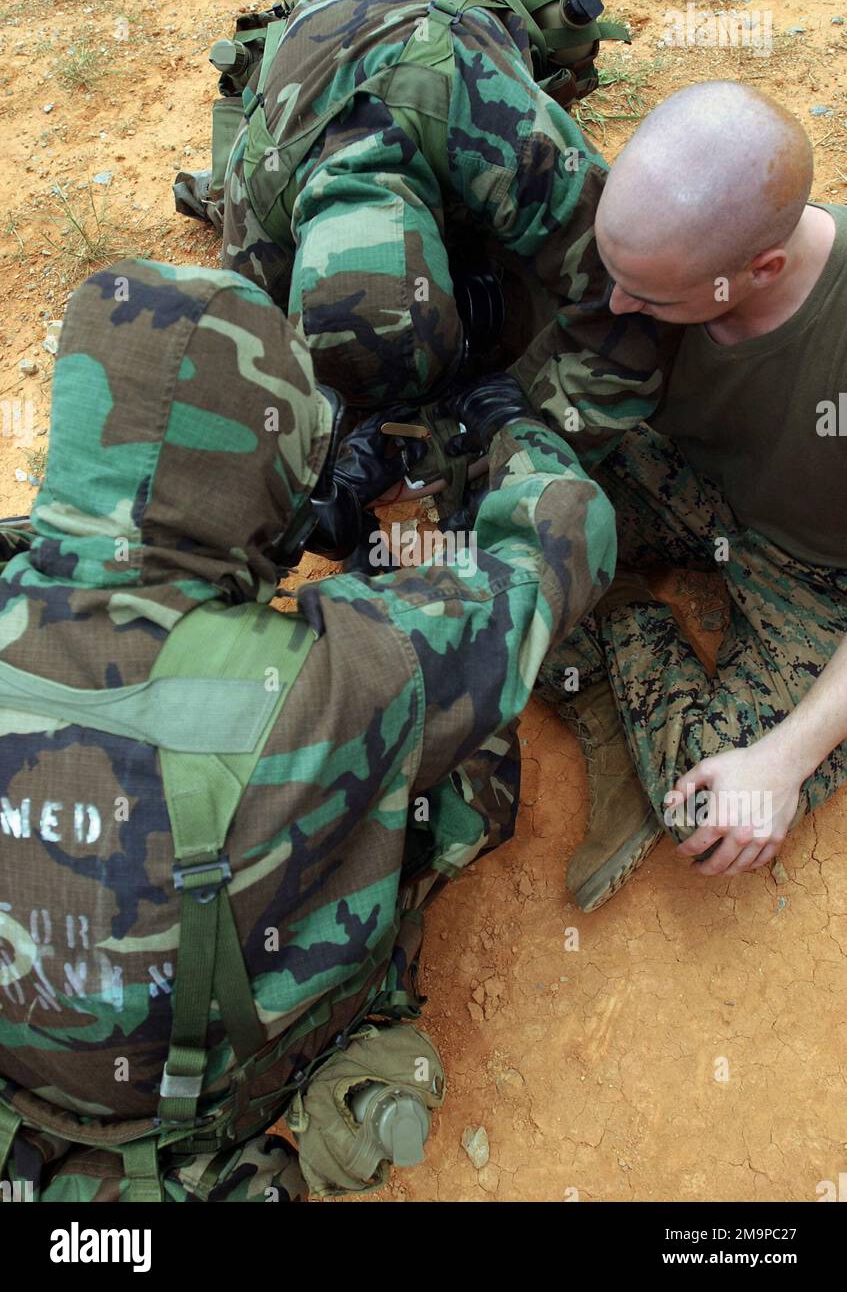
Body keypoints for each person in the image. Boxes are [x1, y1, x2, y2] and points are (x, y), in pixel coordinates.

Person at [0, 258, 615, 1200]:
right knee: (463, 741)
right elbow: (564, 540)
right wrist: (509, 425)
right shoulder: (343, 675)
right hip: (221, 1096)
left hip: (23, 1103)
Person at [523, 81, 847, 911]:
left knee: (712, 811)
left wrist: (783, 760)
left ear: (762, 267)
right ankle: (604, 653)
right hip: (682, 481)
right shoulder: (650, 251)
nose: (620, 305)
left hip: (817, 582)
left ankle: (607, 629)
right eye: (613, 275)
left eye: (653, 298)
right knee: (491, 522)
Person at [218, 0, 632, 409]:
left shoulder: (511, 142)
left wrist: (513, 429)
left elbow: (626, 301)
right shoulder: (254, 198)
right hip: (327, 2)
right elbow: (248, 383)